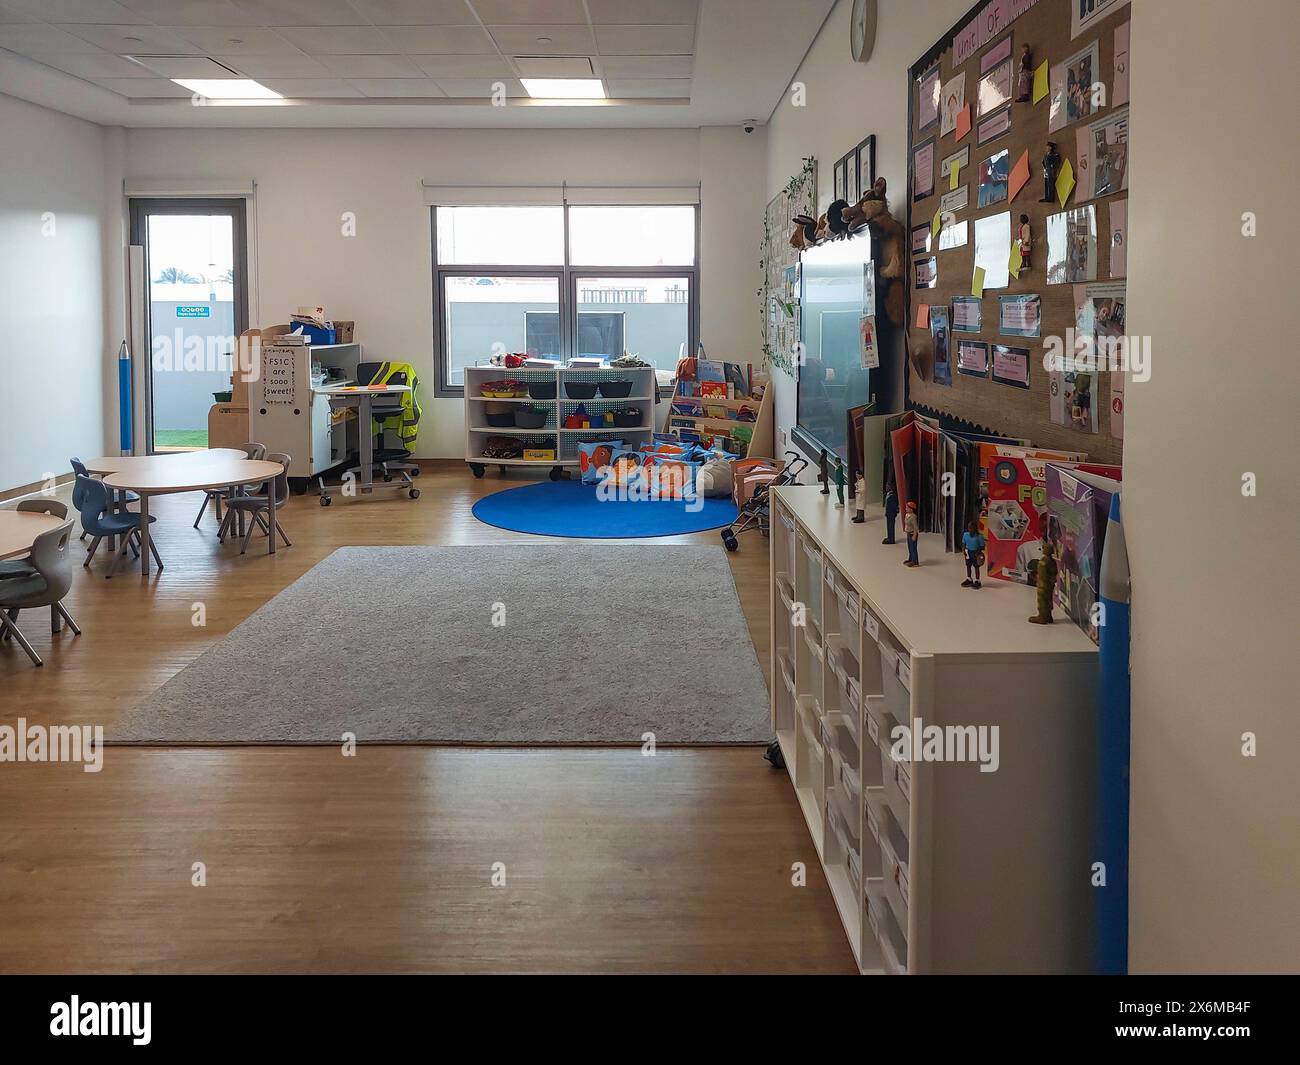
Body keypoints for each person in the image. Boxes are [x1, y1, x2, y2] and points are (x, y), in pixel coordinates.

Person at [961, 520, 987, 588]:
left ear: (975, 528)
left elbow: (982, 546)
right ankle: (969, 579)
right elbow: (964, 543)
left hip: (976, 553)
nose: (970, 529)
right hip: (968, 552)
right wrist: (963, 550)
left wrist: (978, 552)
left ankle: (977, 580)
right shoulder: (965, 535)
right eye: (969, 527)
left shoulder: (979, 536)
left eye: (971, 528)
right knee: (968, 565)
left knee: (976, 567)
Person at [903, 501, 920, 567]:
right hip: (908, 533)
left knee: (913, 548)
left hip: (912, 534)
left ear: (911, 509)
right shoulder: (907, 515)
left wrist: (914, 535)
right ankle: (911, 559)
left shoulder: (913, 517)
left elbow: (915, 527)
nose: (906, 509)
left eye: (907, 507)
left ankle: (915, 561)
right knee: (910, 547)